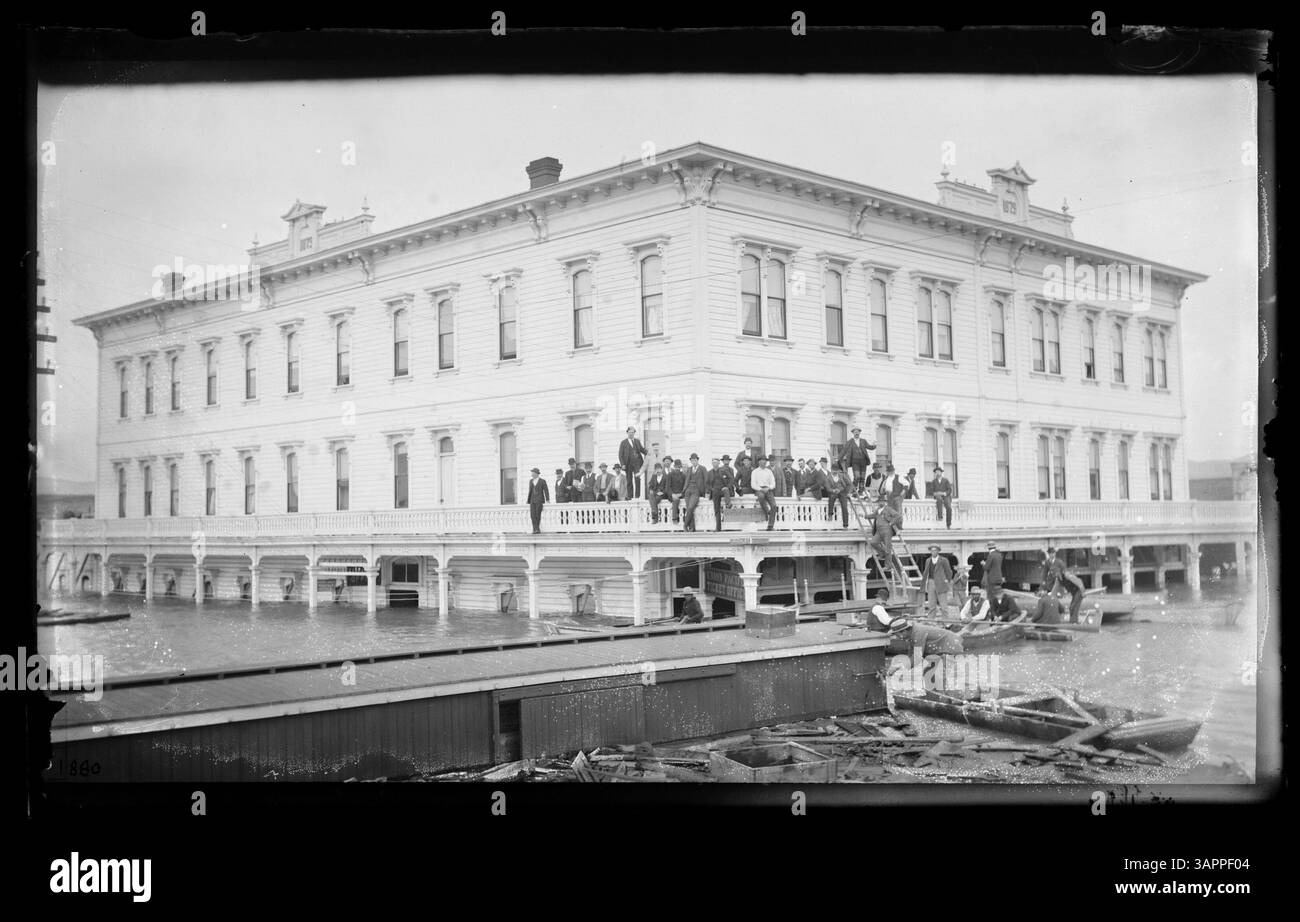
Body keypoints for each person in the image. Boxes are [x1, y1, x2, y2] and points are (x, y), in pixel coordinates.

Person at [1040, 546, 1085, 622]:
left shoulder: (1066, 575)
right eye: (1053, 574)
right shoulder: (1058, 579)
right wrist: (1049, 597)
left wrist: (1083, 592)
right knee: (1071, 607)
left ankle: (1074, 622)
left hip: (1079, 591)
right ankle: (1073, 622)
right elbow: (1054, 590)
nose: (1055, 575)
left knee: (1073, 607)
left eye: (1056, 573)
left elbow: (1079, 581)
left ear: (1060, 571)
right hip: (1074, 593)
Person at [839, 426, 876, 496]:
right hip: (855, 462)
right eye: (855, 432)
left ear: (859, 433)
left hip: (863, 462)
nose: (856, 433)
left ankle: (861, 492)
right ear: (853, 433)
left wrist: (874, 445)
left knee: (862, 478)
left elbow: (870, 447)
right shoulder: (850, 442)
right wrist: (839, 458)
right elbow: (844, 450)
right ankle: (853, 490)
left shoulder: (863, 441)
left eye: (858, 432)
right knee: (857, 477)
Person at [922, 545, 956, 616]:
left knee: (943, 605)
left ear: (938, 551)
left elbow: (949, 572)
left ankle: (946, 622)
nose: (933, 552)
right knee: (931, 604)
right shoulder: (928, 560)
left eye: (935, 550)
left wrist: (946, 581)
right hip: (931, 582)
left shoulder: (943, 560)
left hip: (941, 584)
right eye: (932, 550)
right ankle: (931, 622)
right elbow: (926, 572)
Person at [618, 426, 647, 499]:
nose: (631, 434)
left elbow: (642, 450)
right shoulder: (623, 442)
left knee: (637, 479)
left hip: (637, 463)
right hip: (628, 464)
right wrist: (622, 464)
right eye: (630, 432)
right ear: (627, 433)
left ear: (634, 433)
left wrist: (649, 453)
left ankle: (637, 496)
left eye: (632, 432)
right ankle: (630, 496)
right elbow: (620, 454)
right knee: (629, 480)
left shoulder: (637, 441)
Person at [682, 453, 708, 532]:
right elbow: (687, 480)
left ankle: (685, 525)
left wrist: (706, 492)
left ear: (697, 460)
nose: (693, 462)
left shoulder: (702, 468)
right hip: (688, 490)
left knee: (690, 507)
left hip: (696, 490)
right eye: (692, 460)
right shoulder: (689, 469)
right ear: (691, 461)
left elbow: (706, 481)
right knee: (689, 509)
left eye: (695, 460)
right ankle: (692, 528)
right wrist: (684, 490)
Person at [751, 457, 778, 530]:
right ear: (759, 462)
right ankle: (767, 511)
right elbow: (753, 484)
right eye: (762, 461)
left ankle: (770, 526)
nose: (764, 462)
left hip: (768, 489)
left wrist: (769, 488)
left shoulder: (769, 471)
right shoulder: (755, 471)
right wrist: (761, 489)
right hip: (759, 489)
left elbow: (773, 483)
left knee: (774, 506)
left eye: (765, 461)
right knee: (761, 497)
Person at [709, 457, 735, 531]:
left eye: (716, 463)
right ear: (712, 464)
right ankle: (718, 528)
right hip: (715, 492)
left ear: (719, 463)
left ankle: (728, 503)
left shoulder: (723, 471)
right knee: (717, 510)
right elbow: (707, 484)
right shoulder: (710, 472)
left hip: (723, 489)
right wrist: (711, 489)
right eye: (713, 463)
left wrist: (727, 487)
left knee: (726, 490)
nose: (715, 464)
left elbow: (731, 479)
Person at [823, 462, 850, 528]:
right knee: (831, 498)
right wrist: (833, 490)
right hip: (833, 492)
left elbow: (848, 484)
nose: (835, 472)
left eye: (836, 471)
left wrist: (846, 491)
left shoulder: (842, 476)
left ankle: (845, 524)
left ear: (838, 470)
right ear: (831, 470)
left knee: (844, 506)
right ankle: (830, 514)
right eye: (833, 471)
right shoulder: (827, 478)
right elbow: (828, 488)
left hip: (842, 492)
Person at [526, 467, 549, 534]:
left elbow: (546, 490)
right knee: (532, 515)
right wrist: (528, 500)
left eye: (533, 473)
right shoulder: (531, 481)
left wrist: (547, 499)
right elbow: (530, 491)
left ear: (536, 474)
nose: (532, 474)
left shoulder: (542, 481)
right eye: (532, 473)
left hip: (539, 500)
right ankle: (534, 529)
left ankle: (537, 529)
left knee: (537, 514)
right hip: (532, 500)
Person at [667, 459, 686, 525]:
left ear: (680, 467)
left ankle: (684, 521)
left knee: (685, 504)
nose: (677, 468)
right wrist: (672, 494)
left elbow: (685, 487)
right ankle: (674, 518)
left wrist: (681, 494)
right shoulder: (670, 475)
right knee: (676, 500)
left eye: (679, 467)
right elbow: (668, 487)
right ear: (674, 467)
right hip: (672, 495)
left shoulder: (683, 475)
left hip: (681, 495)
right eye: (676, 467)